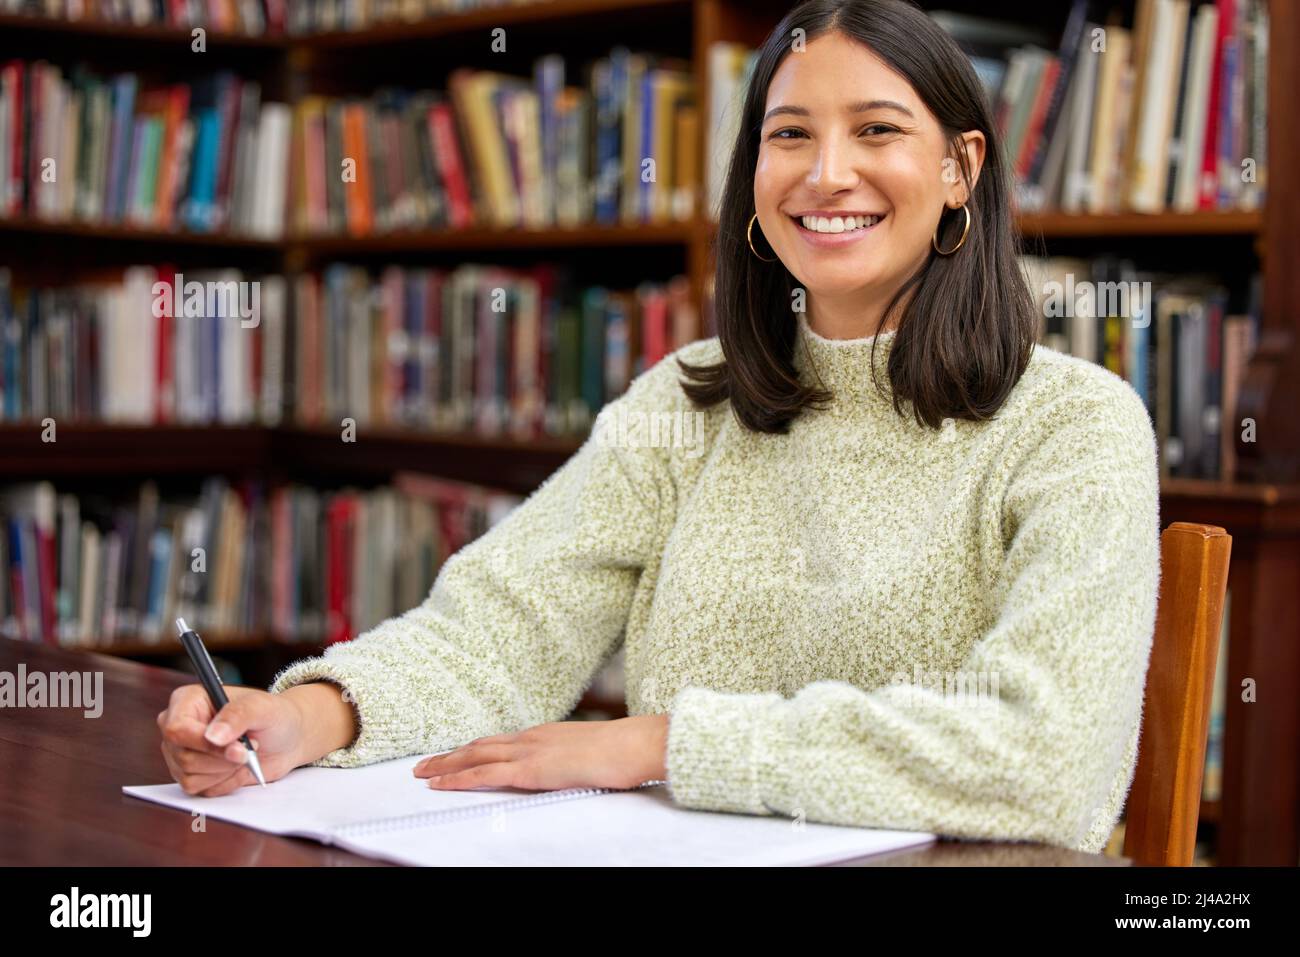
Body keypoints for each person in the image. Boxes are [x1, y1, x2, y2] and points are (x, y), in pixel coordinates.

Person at [157, 0, 1160, 853]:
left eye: (878, 130)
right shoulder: (690, 399)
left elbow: (1049, 757)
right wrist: (305, 718)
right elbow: (506, 629)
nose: (826, 174)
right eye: (789, 134)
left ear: (960, 167)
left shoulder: (1075, 426)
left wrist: (660, 744)